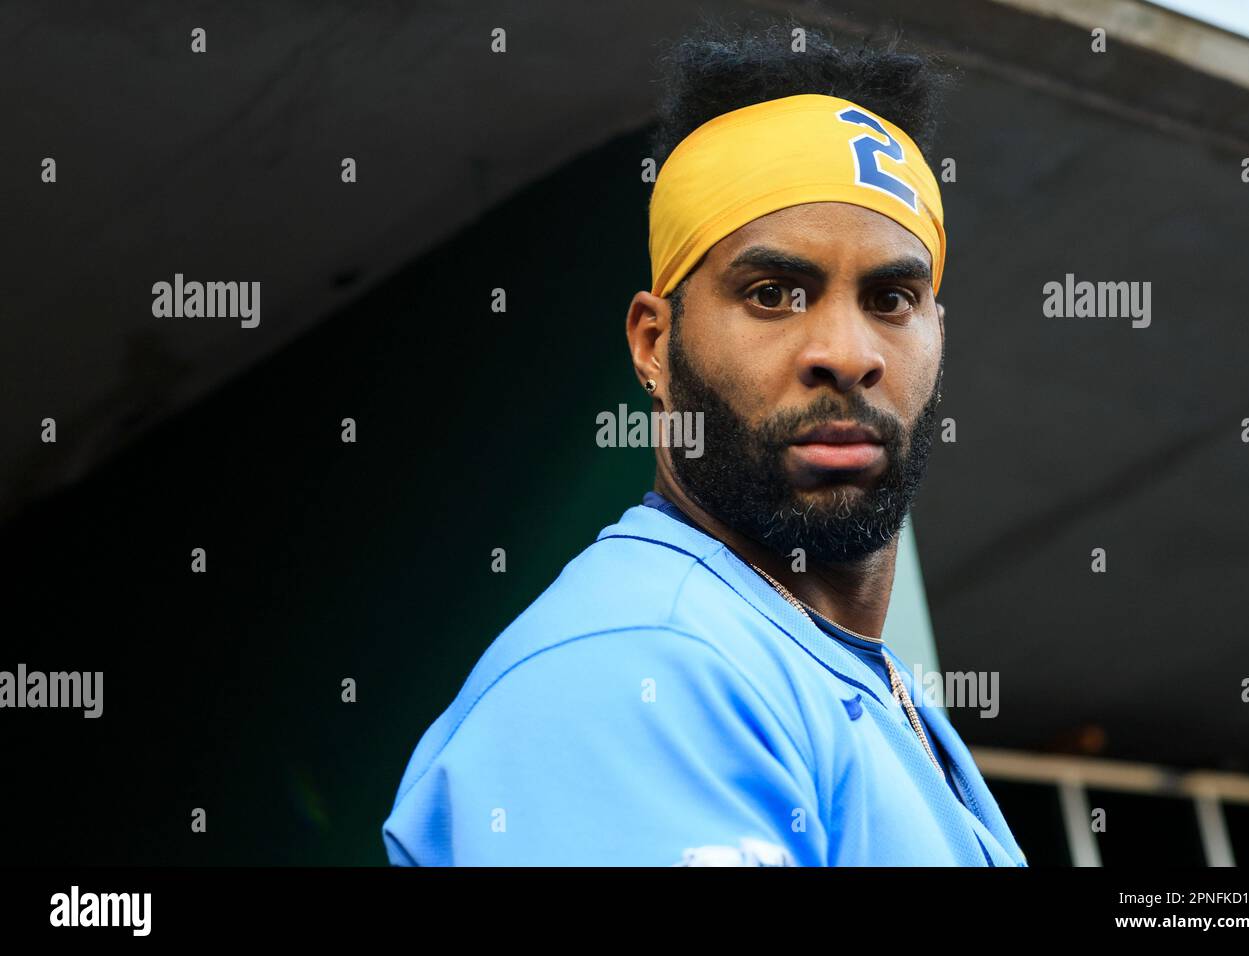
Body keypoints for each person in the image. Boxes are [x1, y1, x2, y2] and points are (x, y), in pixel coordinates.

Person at [383, 18, 1027, 866]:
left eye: (892, 299)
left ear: (937, 333)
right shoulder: (639, 667)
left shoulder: (866, 688)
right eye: (772, 293)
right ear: (655, 345)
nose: (847, 354)